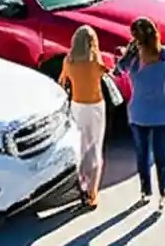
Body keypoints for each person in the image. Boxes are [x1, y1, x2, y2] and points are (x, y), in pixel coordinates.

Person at [114, 17, 165, 211]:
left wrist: (125, 53)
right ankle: (164, 193)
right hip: (164, 113)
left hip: (139, 114)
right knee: (161, 155)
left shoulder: (133, 60)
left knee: (142, 154)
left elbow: (116, 72)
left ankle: (145, 191)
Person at [58, 26, 109, 209]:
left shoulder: (68, 61)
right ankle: (92, 194)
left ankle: (82, 184)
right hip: (95, 106)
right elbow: (108, 71)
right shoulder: (95, 61)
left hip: (77, 106)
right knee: (95, 147)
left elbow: (62, 81)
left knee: (79, 145)